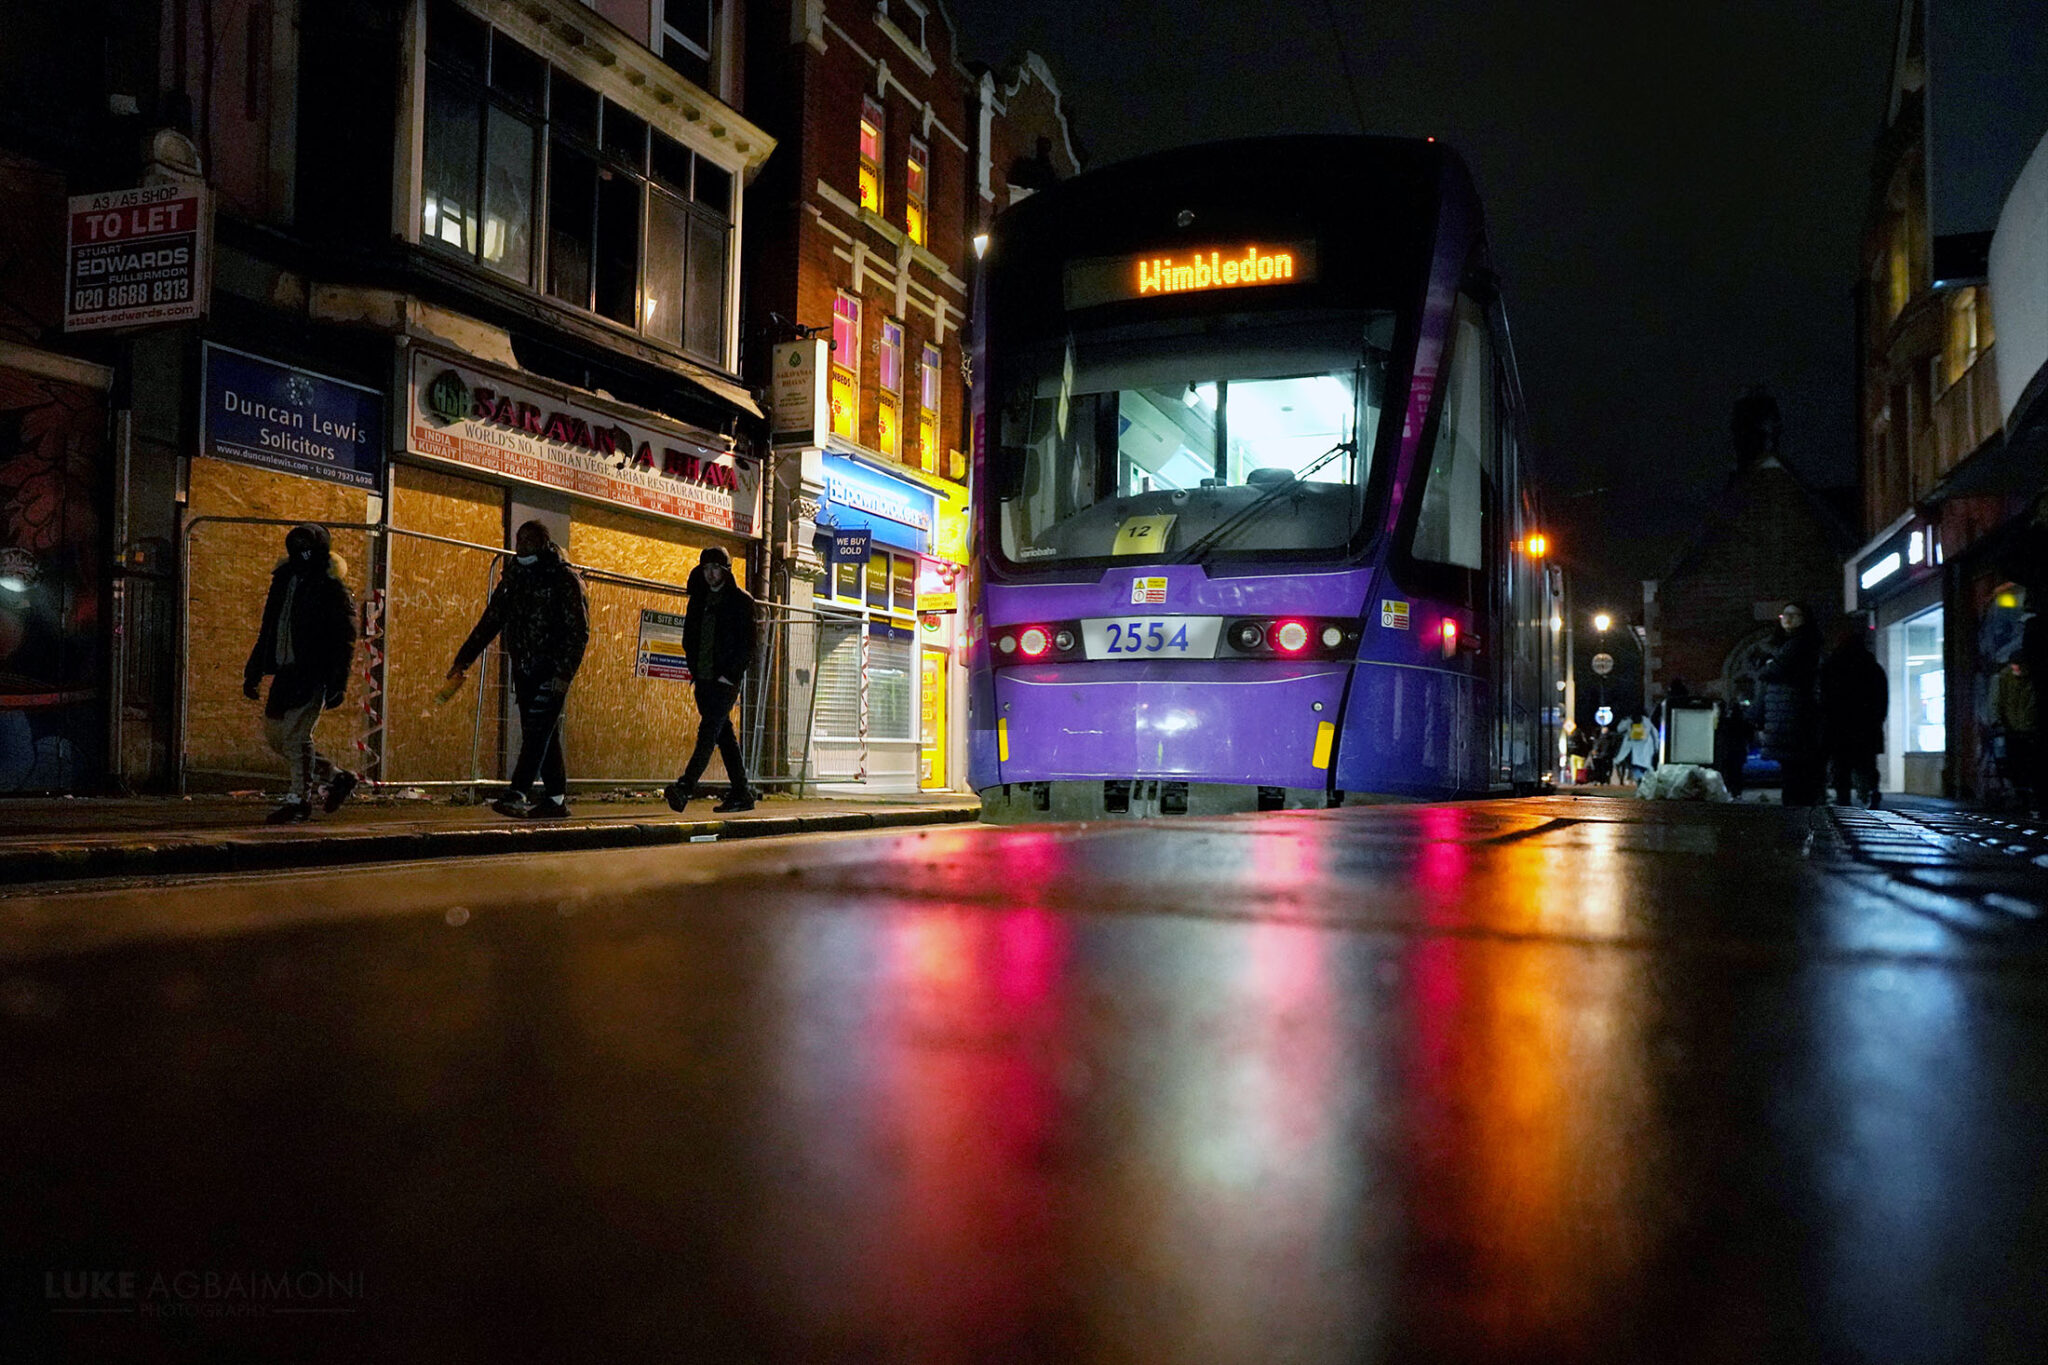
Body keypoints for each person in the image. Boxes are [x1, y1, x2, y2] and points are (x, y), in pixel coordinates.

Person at [448, 521, 588, 819]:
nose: (522, 544)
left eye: (529, 539)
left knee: (537, 731)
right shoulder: (515, 577)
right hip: (524, 668)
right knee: (541, 733)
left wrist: (564, 674)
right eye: (519, 539)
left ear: (544, 542)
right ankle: (556, 798)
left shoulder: (563, 579)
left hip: (551, 669)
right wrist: (465, 657)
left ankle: (517, 792)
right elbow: (492, 619)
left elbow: (578, 631)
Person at [243, 523, 359, 824]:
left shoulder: (331, 588)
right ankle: (336, 779)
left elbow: (344, 639)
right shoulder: (284, 580)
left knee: (295, 737)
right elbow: (270, 626)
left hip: (313, 672)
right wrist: (254, 670)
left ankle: (299, 799)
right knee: (277, 737)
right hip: (285, 671)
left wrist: (337, 683)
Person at [665, 546, 757, 814]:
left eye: (715, 568)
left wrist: (730, 675)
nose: (710, 574)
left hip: (725, 681)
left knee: (707, 733)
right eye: (706, 569)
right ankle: (742, 792)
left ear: (726, 571)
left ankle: (684, 787)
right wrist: (695, 668)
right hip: (703, 678)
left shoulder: (741, 601)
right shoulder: (699, 599)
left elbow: (749, 644)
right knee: (723, 736)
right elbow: (689, 637)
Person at [1759, 600, 1825, 805]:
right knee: (1794, 773)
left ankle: (1795, 823)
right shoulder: (1790, 643)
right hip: (1788, 716)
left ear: (1804, 619)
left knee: (1795, 775)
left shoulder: (1800, 643)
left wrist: (1769, 663)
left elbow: (1771, 671)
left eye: (1793, 615)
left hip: (1793, 717)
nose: (1786, 619)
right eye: (1784, 615)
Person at [1818, 623, 1888, 808]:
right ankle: (1870, 794)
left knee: (1842, 767)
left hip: (1839, 726)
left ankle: (1844, 801)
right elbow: (1881, 700)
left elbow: (1824, 698)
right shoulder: (1872, 667)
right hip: (1866, 726)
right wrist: (1877, 721)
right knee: (1866, 765)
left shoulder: (1832, 666)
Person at [1990, 621, 2040, 814]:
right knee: (2016, 766)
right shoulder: (2005, 679)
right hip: (2014, 729)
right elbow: (1998, 702)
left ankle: (2026, 798)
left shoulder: (2013, 678)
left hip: (2026, 729)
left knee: (2024, 766)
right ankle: (2023, 798)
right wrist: (1999, 722)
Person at [1713, 697, 1756, 798]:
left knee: (1727, 771)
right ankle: (1737, 792)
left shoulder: (1726, 722)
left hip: (1728, 751)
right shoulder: (1744, 722)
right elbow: (1750, 736)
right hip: (1739, 751)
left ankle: (1729, 790)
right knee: (1737, 772)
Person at [1616, 713, 1659, 784]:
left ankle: (1642, 780)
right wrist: (1656, 747)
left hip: (1638, 749)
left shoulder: (1628, 722)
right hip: (1646, 749)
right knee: (1645, 766)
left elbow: (1619, 729)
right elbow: (1655, 734)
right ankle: (1645, 781)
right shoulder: (1647, 721)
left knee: (1638, 766)